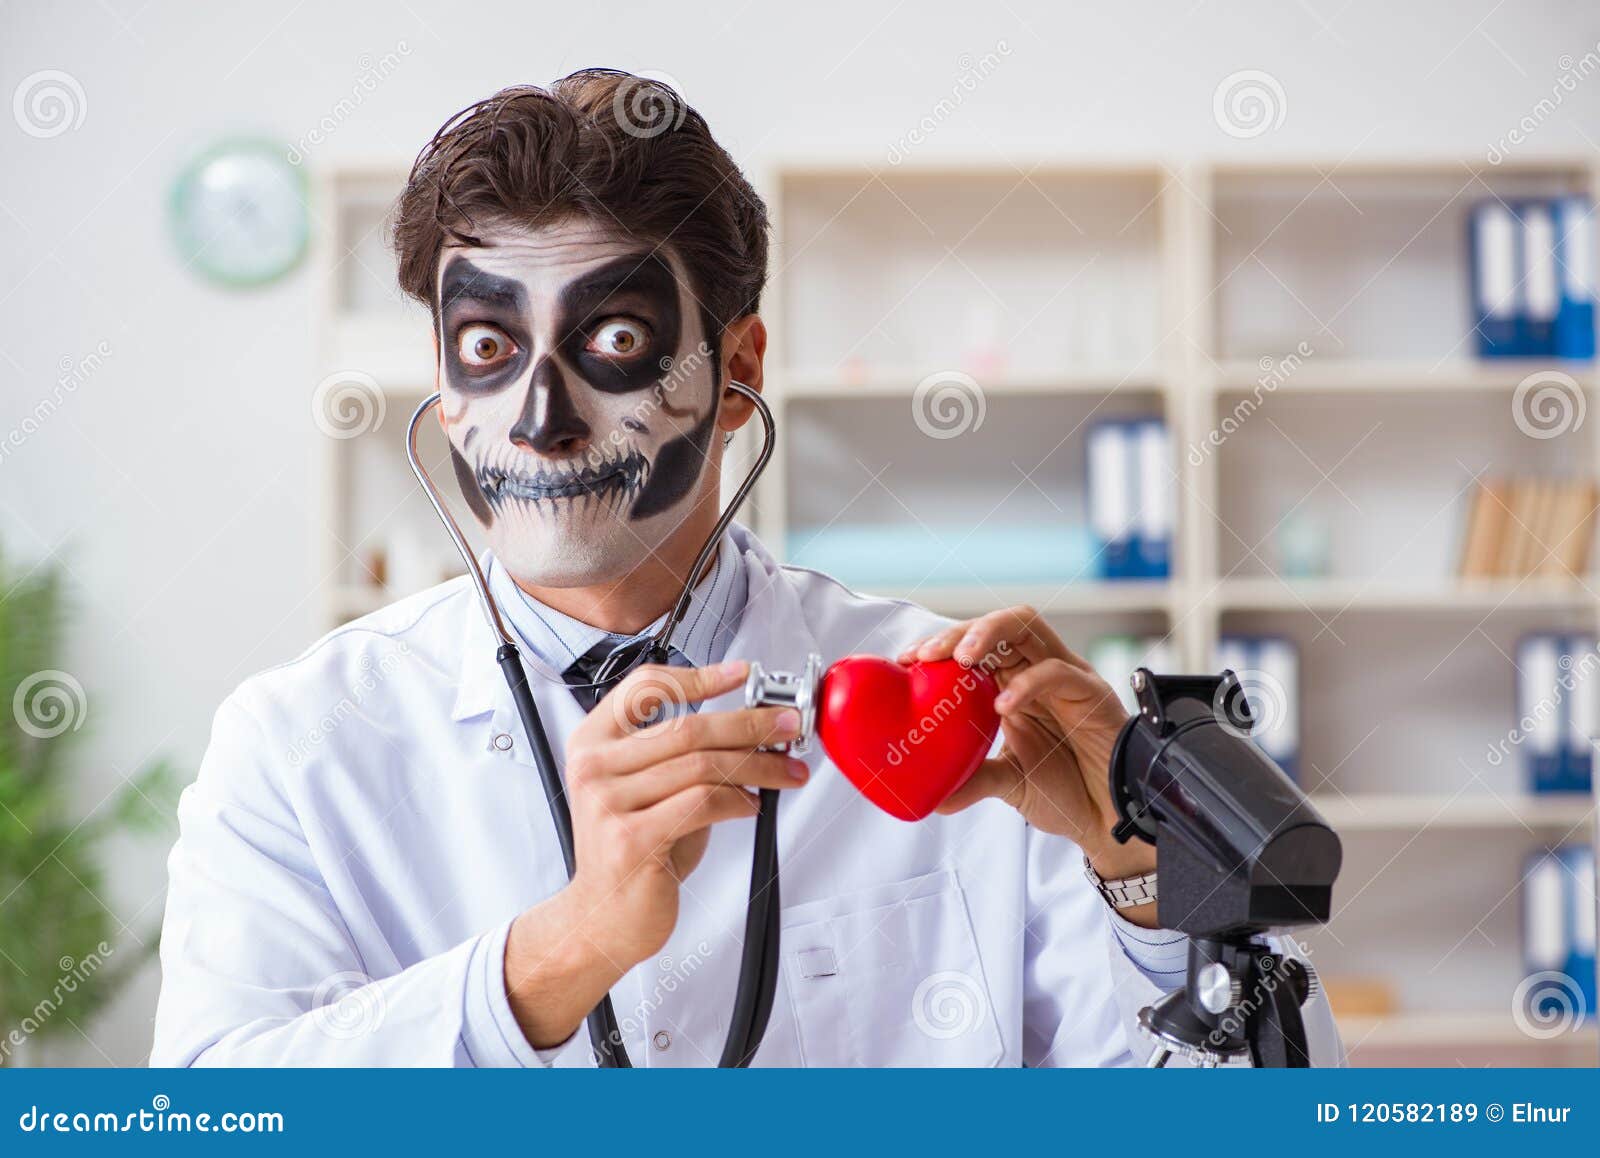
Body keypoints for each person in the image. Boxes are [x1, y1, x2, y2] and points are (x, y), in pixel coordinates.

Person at [151, 70, 1340, 1067]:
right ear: (443, 384)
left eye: (614, 341)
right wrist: (564, 950)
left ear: (739, 370)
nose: (539, 419)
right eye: (488, 346)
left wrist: (1146, 881)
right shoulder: (299, 743)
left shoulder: (960, 713)